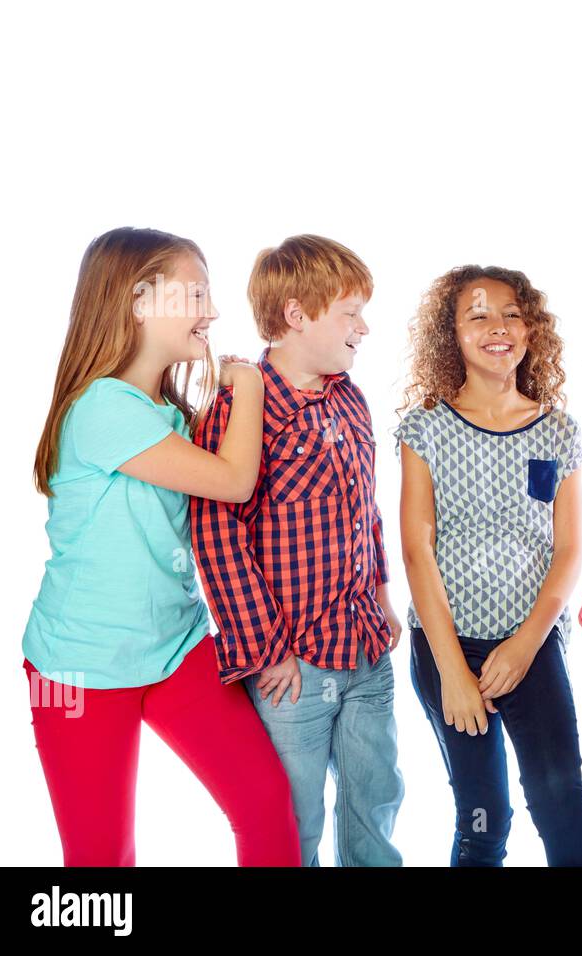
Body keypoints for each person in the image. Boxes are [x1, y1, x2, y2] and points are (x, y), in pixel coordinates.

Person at [23, 226, 299, 866]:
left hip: (175, 649)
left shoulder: (167, 413)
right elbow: (234, 481)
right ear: (139, 302)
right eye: (196, 293)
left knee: (263, 803)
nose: (212, 311)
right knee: (100, 861)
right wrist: (251, 385)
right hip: (77, 670)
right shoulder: (102, 409)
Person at [190, 235, 404, 867]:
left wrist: (384, 600)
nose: (363, 327)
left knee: (376, 800)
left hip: (364, 647)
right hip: (293, 664)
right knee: (294, 820)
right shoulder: (238, 404)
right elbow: (217, 536)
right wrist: (266, 649)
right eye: (350, 313)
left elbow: (366, 511)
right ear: (295, 315)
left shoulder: (349, 397)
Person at [397, 265, 582, 866]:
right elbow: (416, 548)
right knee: (485, 815)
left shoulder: (557, 430)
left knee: (561, 797)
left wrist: (523, 646)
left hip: (531, 643)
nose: (498, 327)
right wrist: (454, 671)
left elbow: (567, 551)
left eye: (512, 313)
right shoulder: (425, 429)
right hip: (446, 646)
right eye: (478, 314)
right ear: (451, 335)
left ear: (532, 329)